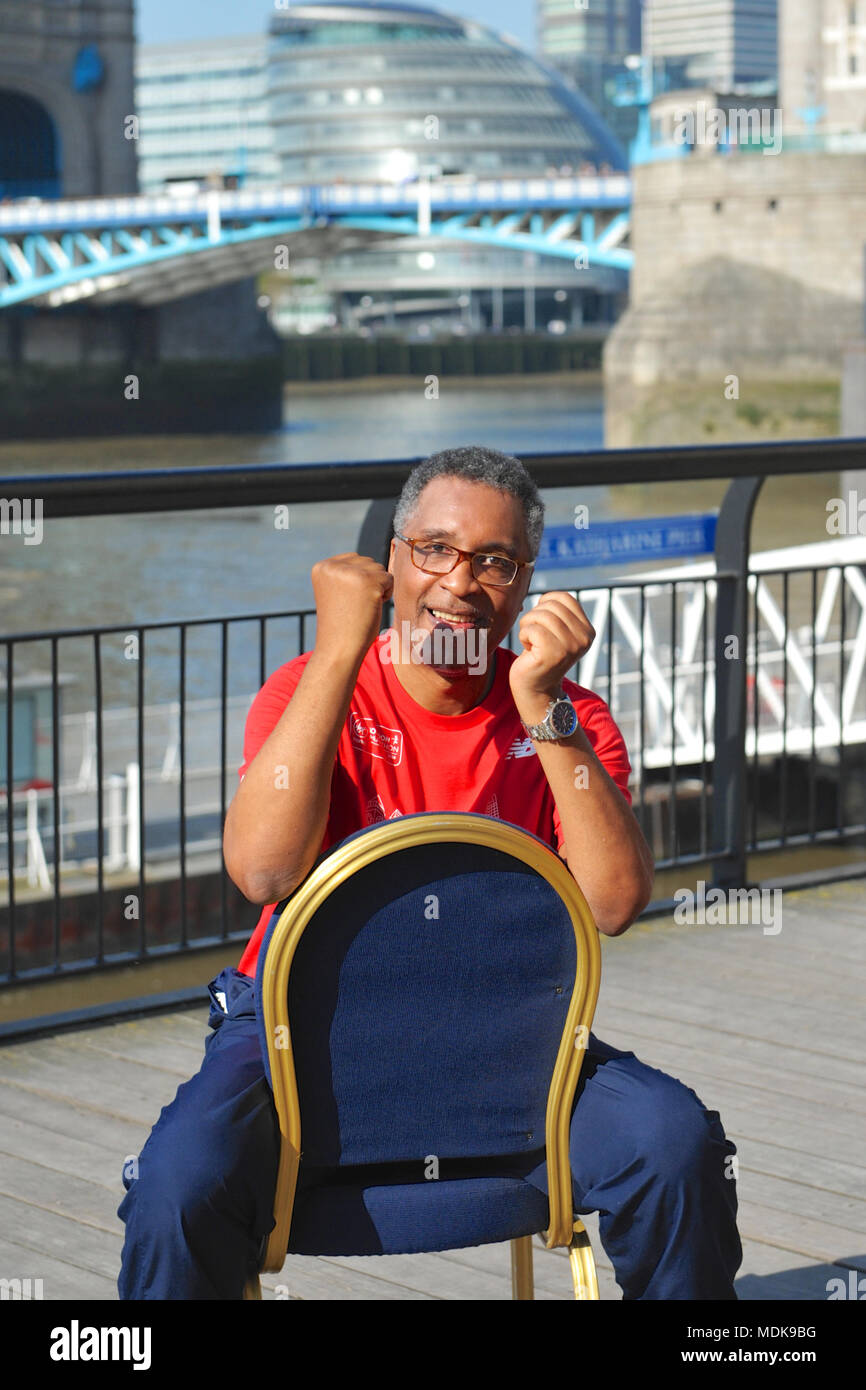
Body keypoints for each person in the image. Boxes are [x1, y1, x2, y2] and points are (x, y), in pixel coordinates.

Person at [117, 445, 741, 1300]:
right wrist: (338, 653)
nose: (459, 581)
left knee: (674, 1144)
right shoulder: (311, 690)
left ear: (525, 585)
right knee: (176, 1184)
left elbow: (618, 902)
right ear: (396, 560)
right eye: (435, 549)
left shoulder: (568, 715)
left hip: (511, 1041)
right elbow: (263, 874)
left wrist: (542, 705)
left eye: (495, 560)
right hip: (300, 1037)